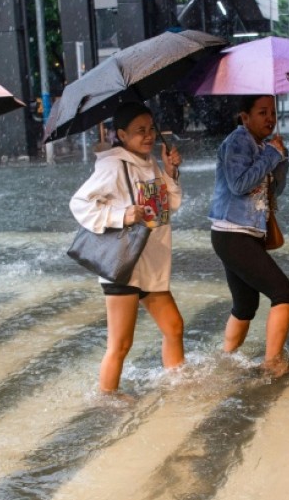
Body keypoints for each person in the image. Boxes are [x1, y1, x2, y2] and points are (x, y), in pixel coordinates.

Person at [70, 102, 184, 394]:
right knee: (120, 344)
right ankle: (107, 401)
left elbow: (168, 206)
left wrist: (170, 171)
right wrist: (121, 215)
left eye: (150, 128)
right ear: (121, 134)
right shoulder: (113, 165)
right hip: (124, 264)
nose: (148, 135)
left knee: (174, 327)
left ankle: (178, 387)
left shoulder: (148, 162)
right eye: (139, 131)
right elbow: (79, 204)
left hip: (149, 263)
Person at [208, 95, 289, 377]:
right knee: (284, 294)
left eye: (272, 112)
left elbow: (275, 191)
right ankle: (272, 363)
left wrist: (281, 158)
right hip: (233, 233)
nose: (270, 118)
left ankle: (224, 361)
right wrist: (271, 155)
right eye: (262, 112)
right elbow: (239, 184)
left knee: (246, 305)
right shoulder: (238, 141)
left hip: (245, 233)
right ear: (244, 117)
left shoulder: (262, 144)